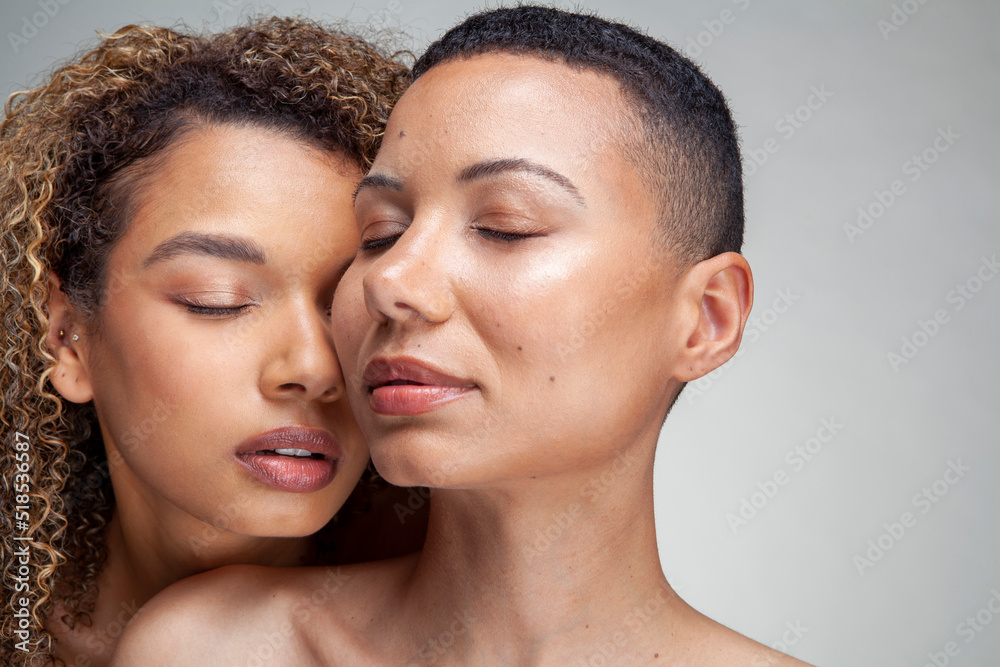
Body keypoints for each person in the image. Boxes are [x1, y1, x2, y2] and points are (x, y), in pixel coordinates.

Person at [111, 7, 812, 665]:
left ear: (707, 318)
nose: (392, 280)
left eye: (505, 225)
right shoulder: (214, 649)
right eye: (380, 233)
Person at [0, 17, 420, 666]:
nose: (313, 367)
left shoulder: (464, 621)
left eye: (349, 303)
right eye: (217, 299)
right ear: (65, 339)